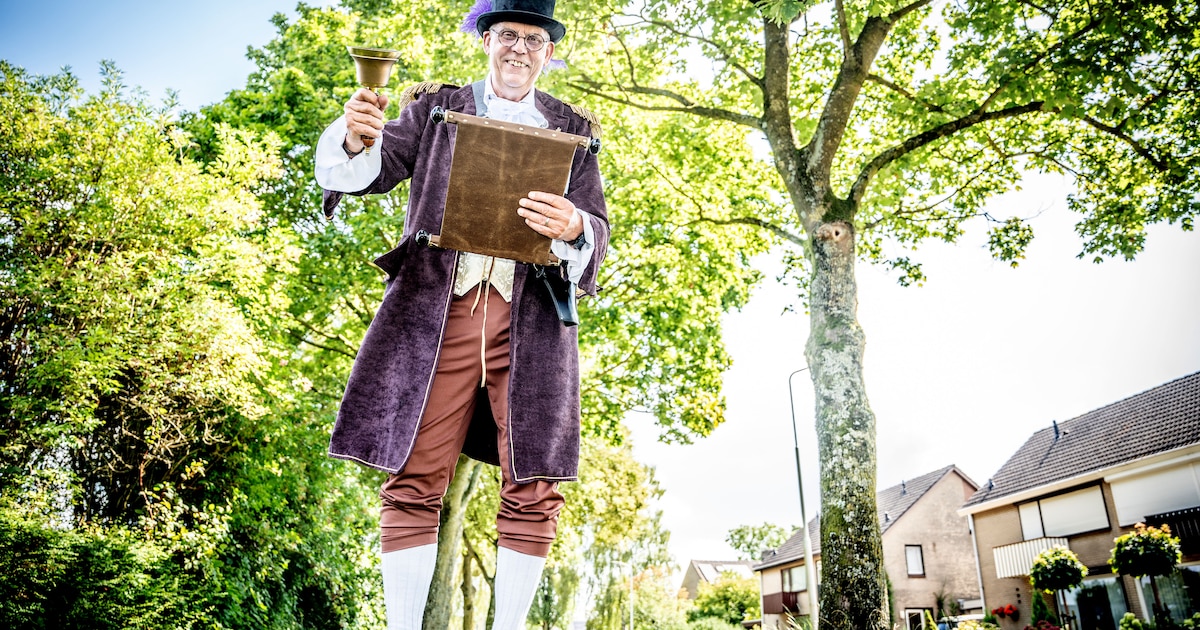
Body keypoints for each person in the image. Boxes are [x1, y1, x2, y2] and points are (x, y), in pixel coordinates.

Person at [313, 1, 608, 628]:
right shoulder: (435, 109)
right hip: (434, 315)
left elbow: (595, 230)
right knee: (413, 472)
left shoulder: (575, 130)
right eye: (507, 35)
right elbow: (371, 169)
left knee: (535, 479)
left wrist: (576, 224)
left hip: (530, 322)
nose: (519, 49)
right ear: (487, 41)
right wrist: (355, 134)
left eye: (534, 39)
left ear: (549, 52)